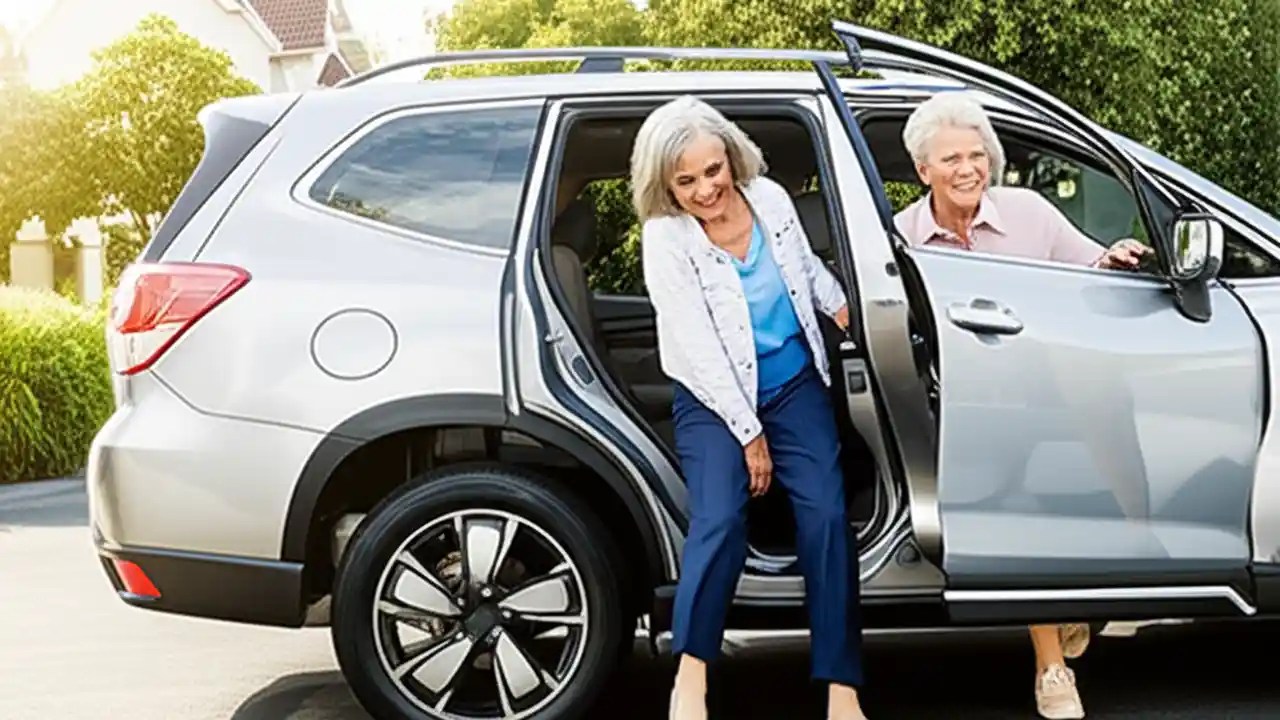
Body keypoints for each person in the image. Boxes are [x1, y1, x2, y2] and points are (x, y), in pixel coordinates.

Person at [893, 91, 1151, 720]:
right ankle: (1051, 668)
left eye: (977, 154)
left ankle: (1082, 602)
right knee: (1024, 500)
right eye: (950, 157)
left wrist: (1111, 259)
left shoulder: (1029, 213)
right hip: (964, 404)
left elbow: (1086, 263)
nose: (968, 168)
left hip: (1044, 391)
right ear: (923, 169)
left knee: (1105, 434)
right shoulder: (900, 234)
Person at [632, 95, 868, 720]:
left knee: (825, 515)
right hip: (713, 400)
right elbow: (698, 346)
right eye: (685, 181)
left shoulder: (768, 199)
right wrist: (748, 434)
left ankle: (841, 689)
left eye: (713, 171)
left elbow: (804, 270)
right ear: (666, 185)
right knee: (720, 520)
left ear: (731, 158)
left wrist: (846, 307)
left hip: (794, 384)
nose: (705, 189)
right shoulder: (665, 237)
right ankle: (690, 678)